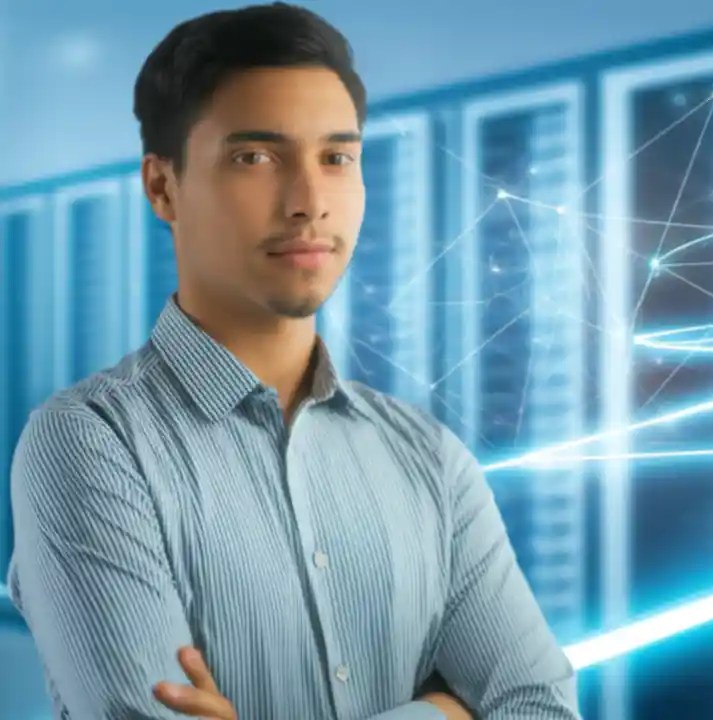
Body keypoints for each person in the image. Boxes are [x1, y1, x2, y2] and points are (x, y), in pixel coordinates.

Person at [6, 3, 580, 718]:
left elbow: (540, 705)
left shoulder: (428, 460)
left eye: (336, 158)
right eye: (255, 158)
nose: (310, 202)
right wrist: (449, 711)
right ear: (162, 187)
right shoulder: (89, 442)